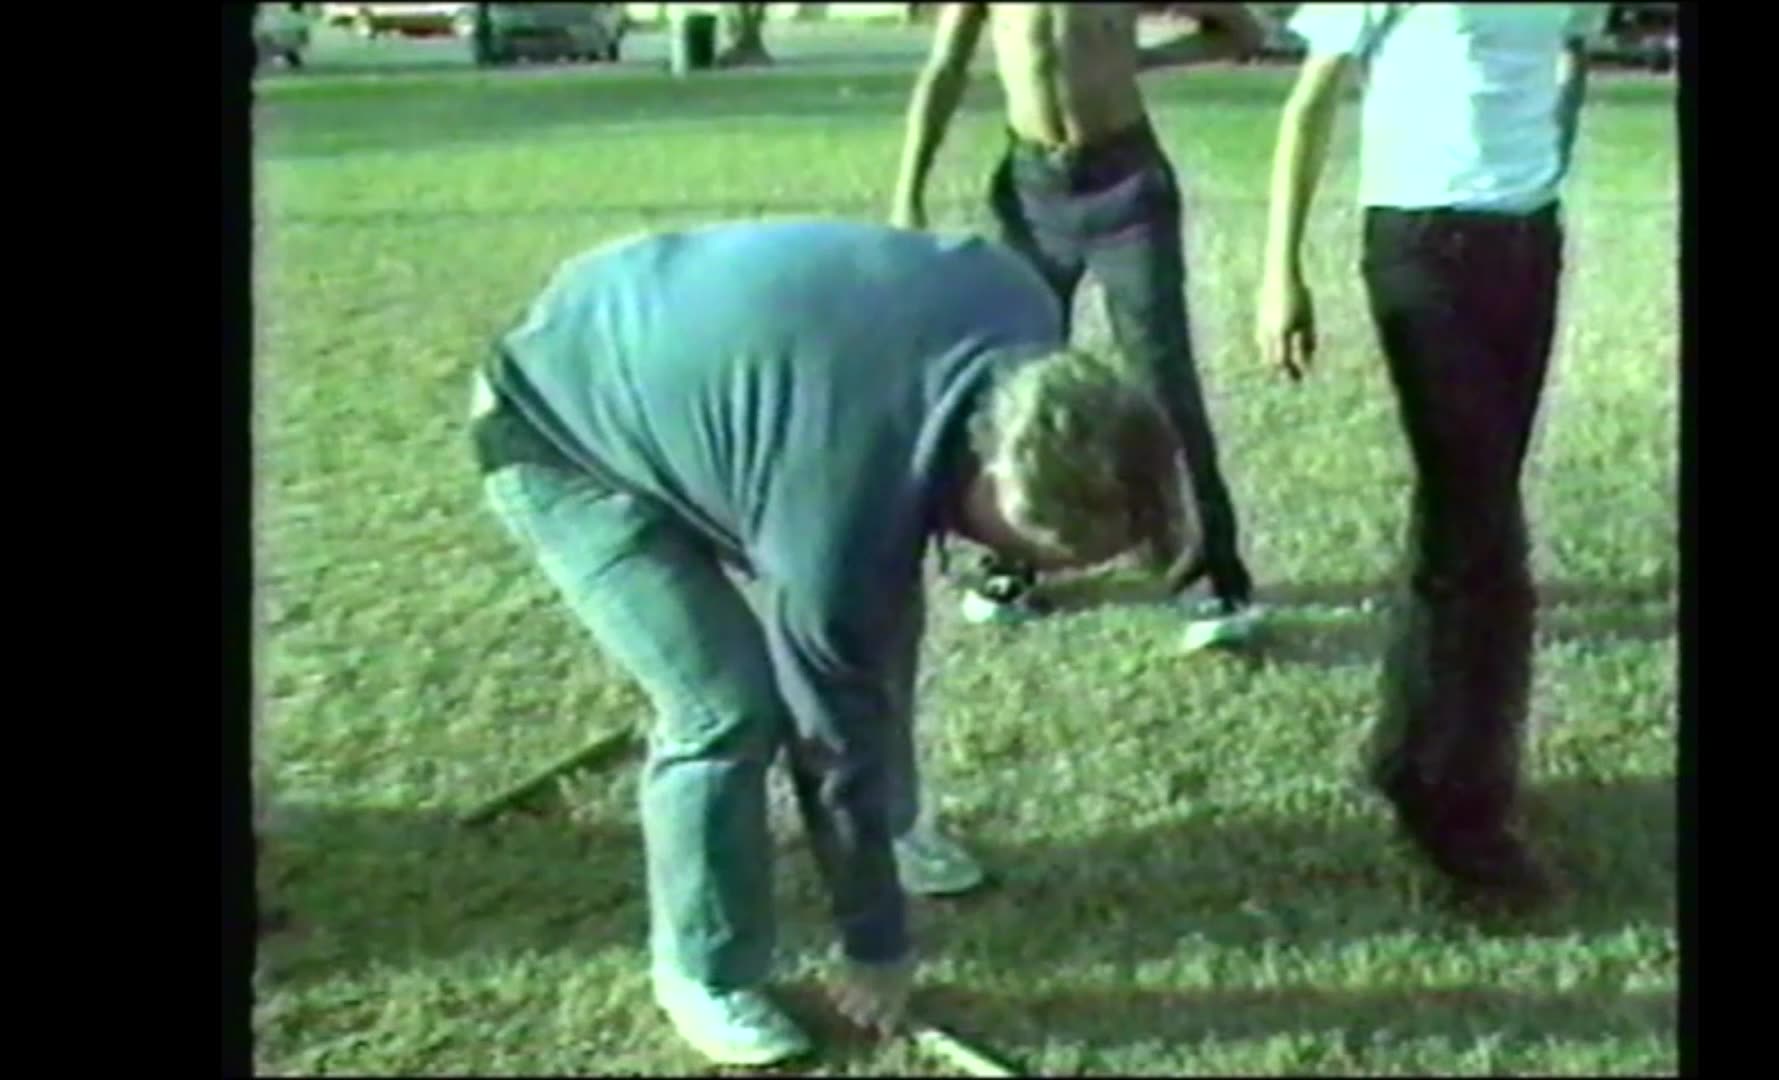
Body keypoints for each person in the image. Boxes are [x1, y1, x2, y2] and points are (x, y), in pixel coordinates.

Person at [468, 218, 1197, 1065]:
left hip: (672, 355)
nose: (1039, 572)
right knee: (726, 707)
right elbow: (830, 743)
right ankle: (704, 970)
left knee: (881, 616)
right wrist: (875, 944)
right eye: (1049, 555)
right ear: (998, 480)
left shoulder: (1020, 304)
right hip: (554, 428)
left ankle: (895, 827)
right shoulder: (841, 517)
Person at [1256, 3, 1610, 915]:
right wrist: (1278, 271)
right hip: (1422, 246)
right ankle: (1462, 818)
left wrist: (1540, 170)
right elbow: (1310, 102)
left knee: (1461, 520)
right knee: (1487, 539)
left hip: (1528, 242)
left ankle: (1410, 758)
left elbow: (1569, 59)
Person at [890, 2, 1265, 626]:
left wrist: (1141, 58)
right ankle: (1012, 561)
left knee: (1162, 376)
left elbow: (1239, 30)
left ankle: (1208, 582)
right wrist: (908, 194)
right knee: (1018, 386)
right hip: (1034, 189)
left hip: (1127, 187)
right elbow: (944, 67)